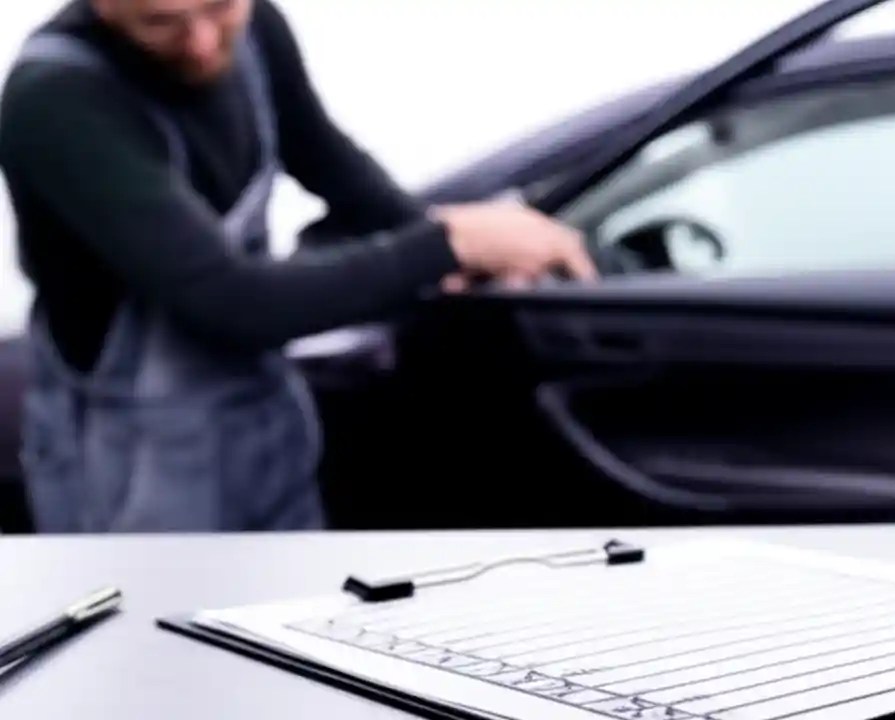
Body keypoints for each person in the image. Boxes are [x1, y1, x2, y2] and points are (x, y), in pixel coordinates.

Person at [0, 0, 597, 533]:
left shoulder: (256, 28)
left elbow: (331, 164)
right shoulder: (56, 102)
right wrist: (448, 245)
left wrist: (452, 247)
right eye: (161, 22)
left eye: (220, 8)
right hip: (131, 466)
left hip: (262, 423)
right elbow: (232, 300)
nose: (204, 43)